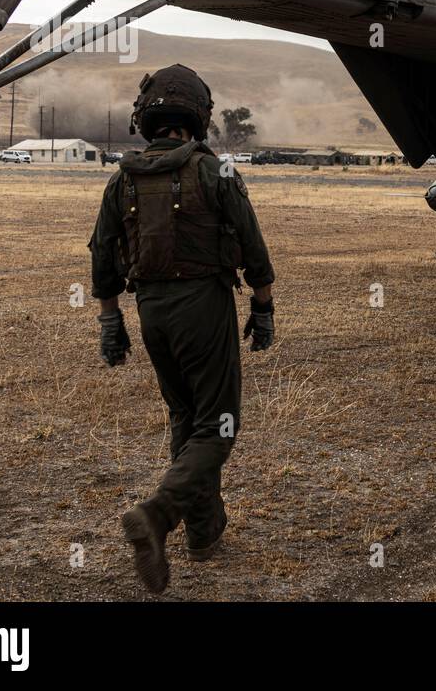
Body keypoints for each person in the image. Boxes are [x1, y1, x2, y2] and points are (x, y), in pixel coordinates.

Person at [88, 64, 276, 593]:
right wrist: (262, 306)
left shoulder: (122, 178)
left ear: (146, 119)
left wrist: (110, 319)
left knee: (187, 416)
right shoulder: (215, 172)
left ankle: (203, 533)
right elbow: (252, 243)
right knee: (219, 423)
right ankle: (159, 513)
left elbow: (102, 256)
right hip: (203, 305)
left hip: (151, 312)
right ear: (198, 116)